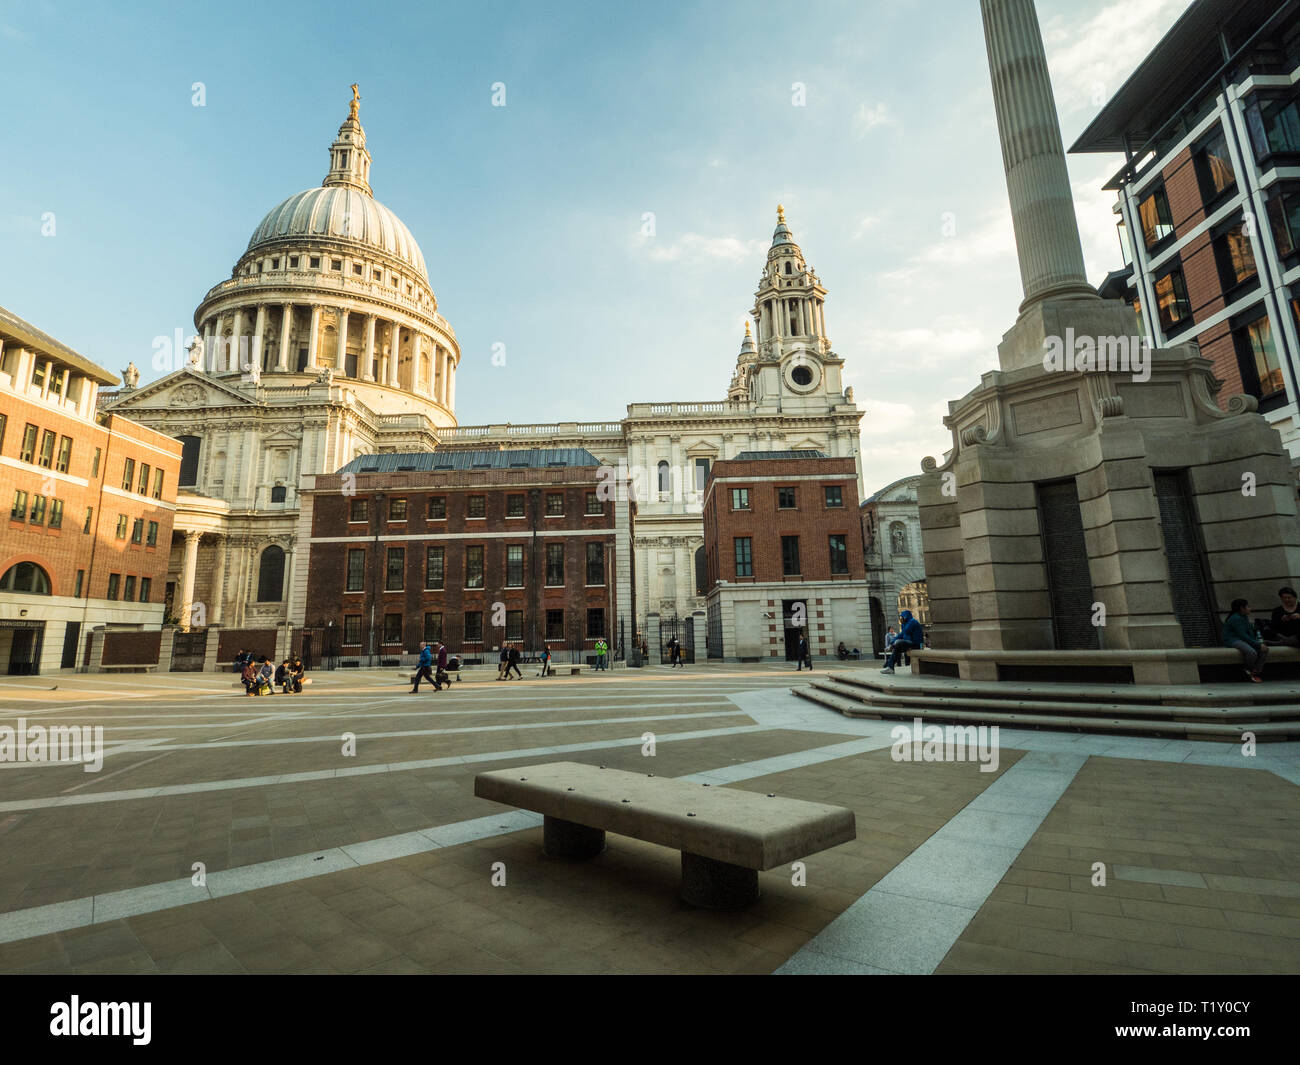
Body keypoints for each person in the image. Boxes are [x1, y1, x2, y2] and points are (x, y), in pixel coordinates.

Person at [1223, 599, 1267, 683]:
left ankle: (1256, 671)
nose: (1250, 608)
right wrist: (1257, 644)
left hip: (1241, 639)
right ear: (1242, 608)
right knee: (1251, 652)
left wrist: (1257, 643)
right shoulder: (1236, 618)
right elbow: (1242, 635)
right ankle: (1248, 670)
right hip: (1233, 639)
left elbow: (1249, 633)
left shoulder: (1244, 617)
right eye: (1248, 606)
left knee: (1264, 650)